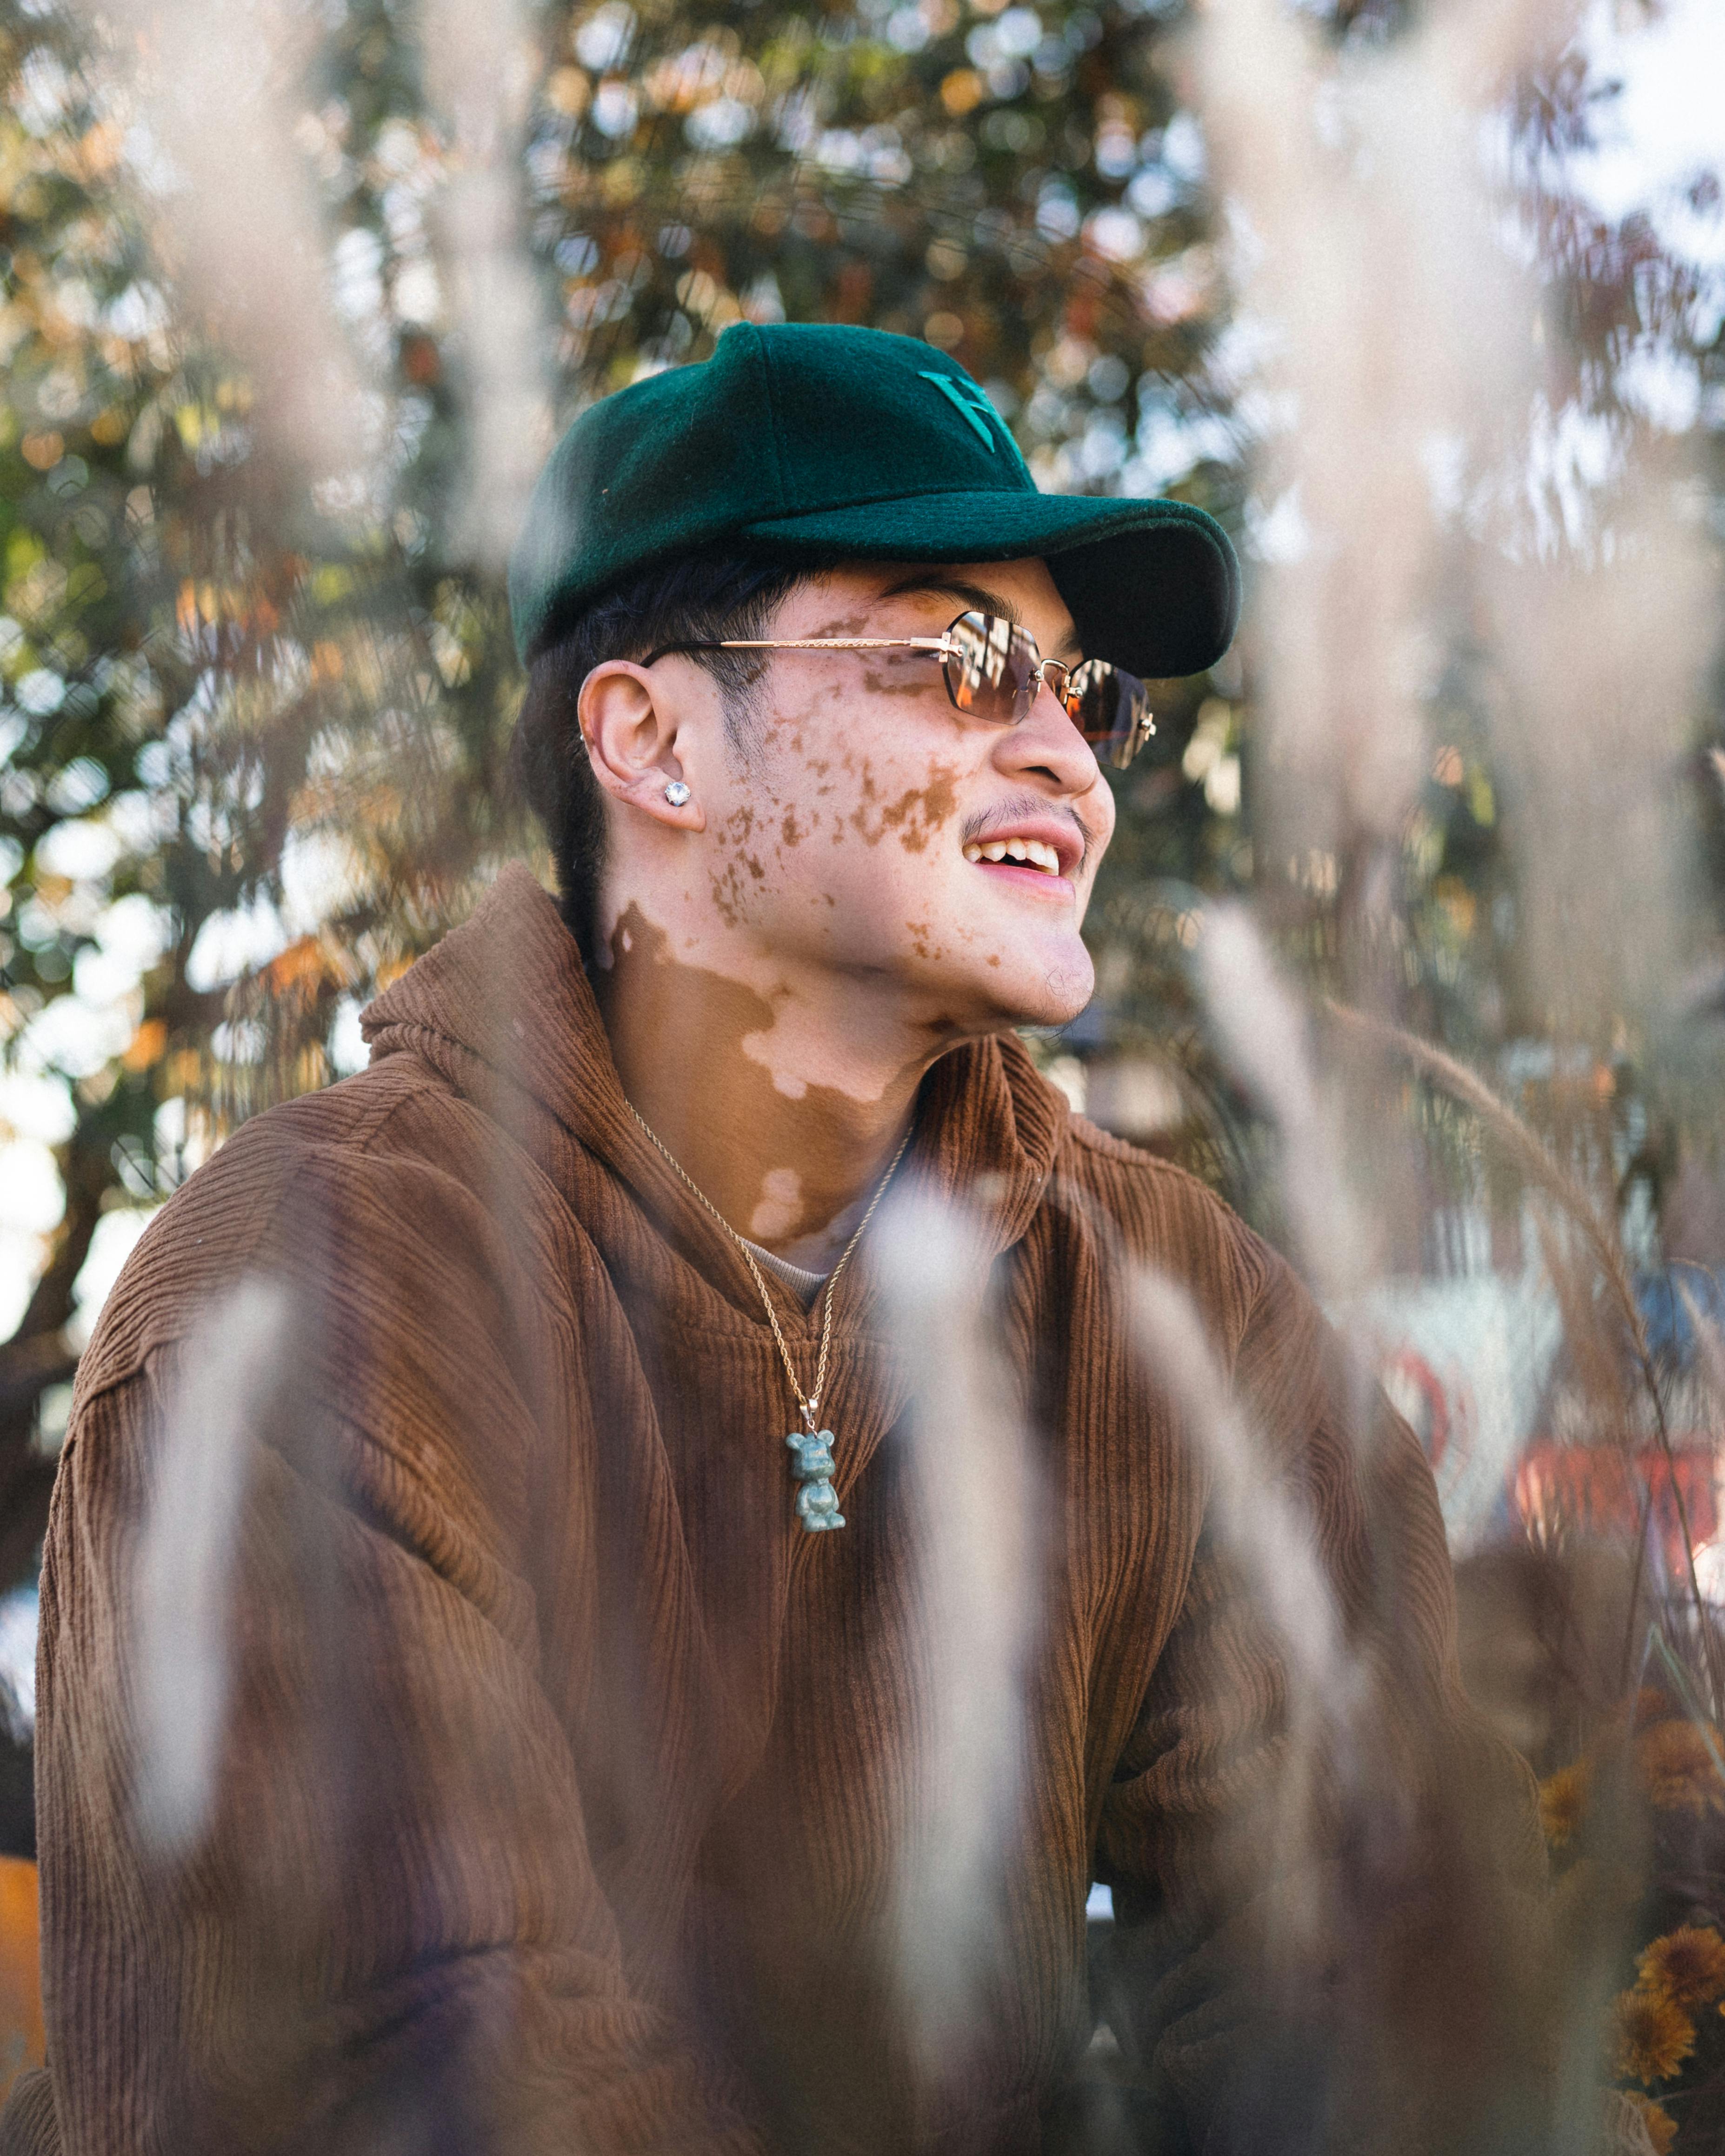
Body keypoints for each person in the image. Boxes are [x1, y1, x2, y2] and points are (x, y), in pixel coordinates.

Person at [5, 325, 1547, 2156]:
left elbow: (1365, 2001)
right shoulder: (307, 1306)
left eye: (1090, 693)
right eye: (966, 659)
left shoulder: (1174, 1309)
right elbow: (436, 2090)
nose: (1070, 752)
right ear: (650, 738)